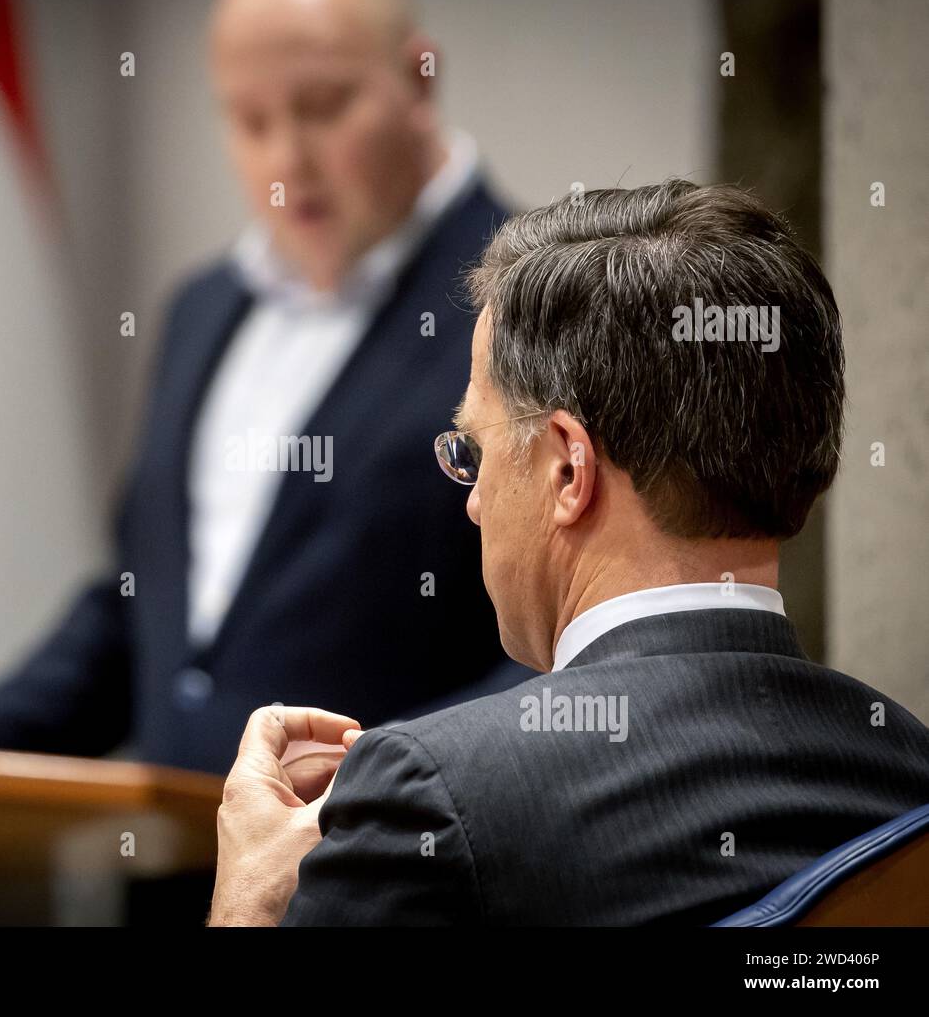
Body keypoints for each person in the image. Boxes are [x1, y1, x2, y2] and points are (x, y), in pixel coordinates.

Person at [208, 179, 929, 925]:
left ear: (566, 470)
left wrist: (252, 890)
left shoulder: (431, 795)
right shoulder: (908, 775)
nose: (473, 500)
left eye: (473, 449)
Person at [0, 0, 531, 775]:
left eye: (323, 106)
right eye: (250, 120)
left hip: (394, 874)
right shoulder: (199, 311)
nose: (288, 160)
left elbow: (558, 648)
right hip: (171, 868)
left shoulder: (530, 305)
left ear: (419, 81)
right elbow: (145, 606)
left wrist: (376, 788)